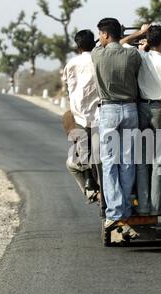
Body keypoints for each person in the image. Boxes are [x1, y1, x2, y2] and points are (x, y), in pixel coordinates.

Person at [91, 18, 142, 237]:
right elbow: (121, 45)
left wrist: (127, 37)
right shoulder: (132, 55)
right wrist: (136, 36)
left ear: (103, 34)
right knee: (128, 160)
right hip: (131, 109)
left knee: (110, 163)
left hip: (109, 111)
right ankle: (126, 208)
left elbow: (100, 45)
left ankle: (115, 211)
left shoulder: (97, 54)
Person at [120, 24, 161, 215]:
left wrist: (141, 36)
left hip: (141, 107)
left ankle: (143, 206)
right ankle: (157, 206)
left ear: (148, 41)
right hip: (160, 109)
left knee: (142, 159)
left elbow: (119, 43)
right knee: (160, 158)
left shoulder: (139, 57)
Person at [63, 30, 101, 204]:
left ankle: (90, 187)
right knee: (98, 157)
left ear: (77, 46)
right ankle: (92, 184)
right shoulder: (99, 58)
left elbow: (68, 86)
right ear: (94, 43)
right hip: (99, 114)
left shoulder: (72, 63)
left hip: (79, 115)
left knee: (80, 157)